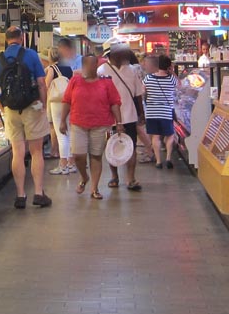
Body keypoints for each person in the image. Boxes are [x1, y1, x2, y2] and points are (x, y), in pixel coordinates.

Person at [0, 26, 51, 208]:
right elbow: (41, 83)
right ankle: (38, 192)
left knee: (17, 152)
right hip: (32, 107)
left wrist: (3, 109)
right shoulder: (31, 55)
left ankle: (20, 195)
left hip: (11, 110)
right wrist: (43, 105)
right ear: (22, 38)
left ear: (6, 39)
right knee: (36, 151)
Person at [58, 53, 123, 200]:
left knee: (96, 156)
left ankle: (94, 188)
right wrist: (62, 120)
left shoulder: (106, 83)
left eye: (93, 64)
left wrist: (119, 123)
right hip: (78, 123)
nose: (90, 67)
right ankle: (84, 177)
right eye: (86, 64)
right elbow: (67, 100)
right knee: (78, 155)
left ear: (97, 65)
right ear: (83, 65)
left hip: (100, 124)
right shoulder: (75, 81)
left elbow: (115, 103)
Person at [98, 46, 144, 191]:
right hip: (109, 117)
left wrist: (141, 114)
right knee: (111, 146)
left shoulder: (131, 70)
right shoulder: (102, 70)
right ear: (112, 54)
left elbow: (138, 94)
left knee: (131, 147)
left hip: (129, 115)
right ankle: (114, 176)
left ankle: (131, 178)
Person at [46, 42, 77, 176]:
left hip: (57, 103)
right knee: (69, 133)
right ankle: (71, 163)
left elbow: (46, 86)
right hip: (69, 102)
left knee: (61, 134)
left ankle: (63, 164)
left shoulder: (52, 69)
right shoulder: (68, 68)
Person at [144, 54, 179, 168]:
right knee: (170, 135)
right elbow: (180, 85)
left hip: (151, 111)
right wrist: (172, 72)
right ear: (169, 66)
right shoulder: (171, 79)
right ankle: (168, 158)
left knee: (156, 136)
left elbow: (142, 91)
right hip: (166, 111)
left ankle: (158, 161)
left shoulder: (148, 78)